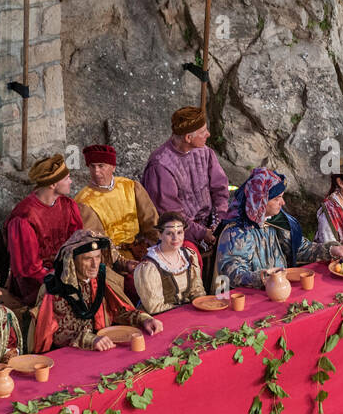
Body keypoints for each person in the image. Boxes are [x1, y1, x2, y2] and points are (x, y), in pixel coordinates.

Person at [215, 168, 343, 287]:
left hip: (282, 287)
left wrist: (332, 249)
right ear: (260, 202)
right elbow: (233, 274)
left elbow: (300, 249)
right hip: (252, 299)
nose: (282, 202)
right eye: (276, 198)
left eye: (282, 197)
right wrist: (265, 277)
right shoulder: (237, 231)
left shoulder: (277, 222)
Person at [31, 230, 162, 352]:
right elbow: (57, 335)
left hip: (104, 346)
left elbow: (118, 311)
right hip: (71, 354)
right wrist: (90, 340)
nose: (95, 264)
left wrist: (144, 319)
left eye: (98, 257)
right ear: (73, 260)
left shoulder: (100, 278)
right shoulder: (56, 287)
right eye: (88, 259)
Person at [142, 107, 230, 255]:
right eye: (203, 132)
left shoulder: (205, 152)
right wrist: (203, 233)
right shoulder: (160, 166)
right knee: (190, 255)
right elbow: (171, 215)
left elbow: (220, 189)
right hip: (179, 234)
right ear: (188, 138)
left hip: (211, 224)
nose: (208, 134)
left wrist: (218, 221)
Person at [5, 154, 84, 306]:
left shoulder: (68, 205)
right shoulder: (24, 217)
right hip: (37, 283)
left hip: (66, 270)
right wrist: (59, 281)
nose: (71, 181)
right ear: (53, 184)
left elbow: (77, 241)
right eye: (67, 178)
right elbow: (29, 268)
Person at [77, 144, 161, 274]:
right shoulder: (84, 201)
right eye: (92, 166)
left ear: (113, 167)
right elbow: (97, 243)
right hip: (113, 261)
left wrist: (160, 249)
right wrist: (121, 262)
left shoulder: (130, 187)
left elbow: (151, 223)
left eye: (101, 166)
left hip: (142, 249)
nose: (96, 172)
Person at [134, 212, 207, 314]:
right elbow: (154, 308)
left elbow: (197, 291)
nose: (175, 238)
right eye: (169, 233)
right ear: (160, 235)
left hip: (188, 314)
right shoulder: (149, 267)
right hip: (160, 319)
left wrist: (201, 306)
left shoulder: (189, 256)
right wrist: (186, 311)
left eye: (179, 233)